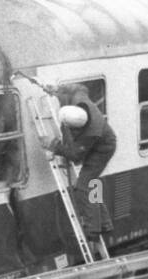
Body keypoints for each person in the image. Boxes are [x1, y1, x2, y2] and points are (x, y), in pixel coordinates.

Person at [48, 84, 116, 239]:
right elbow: (80, 88)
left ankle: (93, 229)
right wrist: (58, 90)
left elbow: (75, 155)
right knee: (92, 182)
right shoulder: (80, 98)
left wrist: (54, 146)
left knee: (83, 186)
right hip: (102, 141)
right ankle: (104, 222)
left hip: (103, 149)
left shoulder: (91, 133)